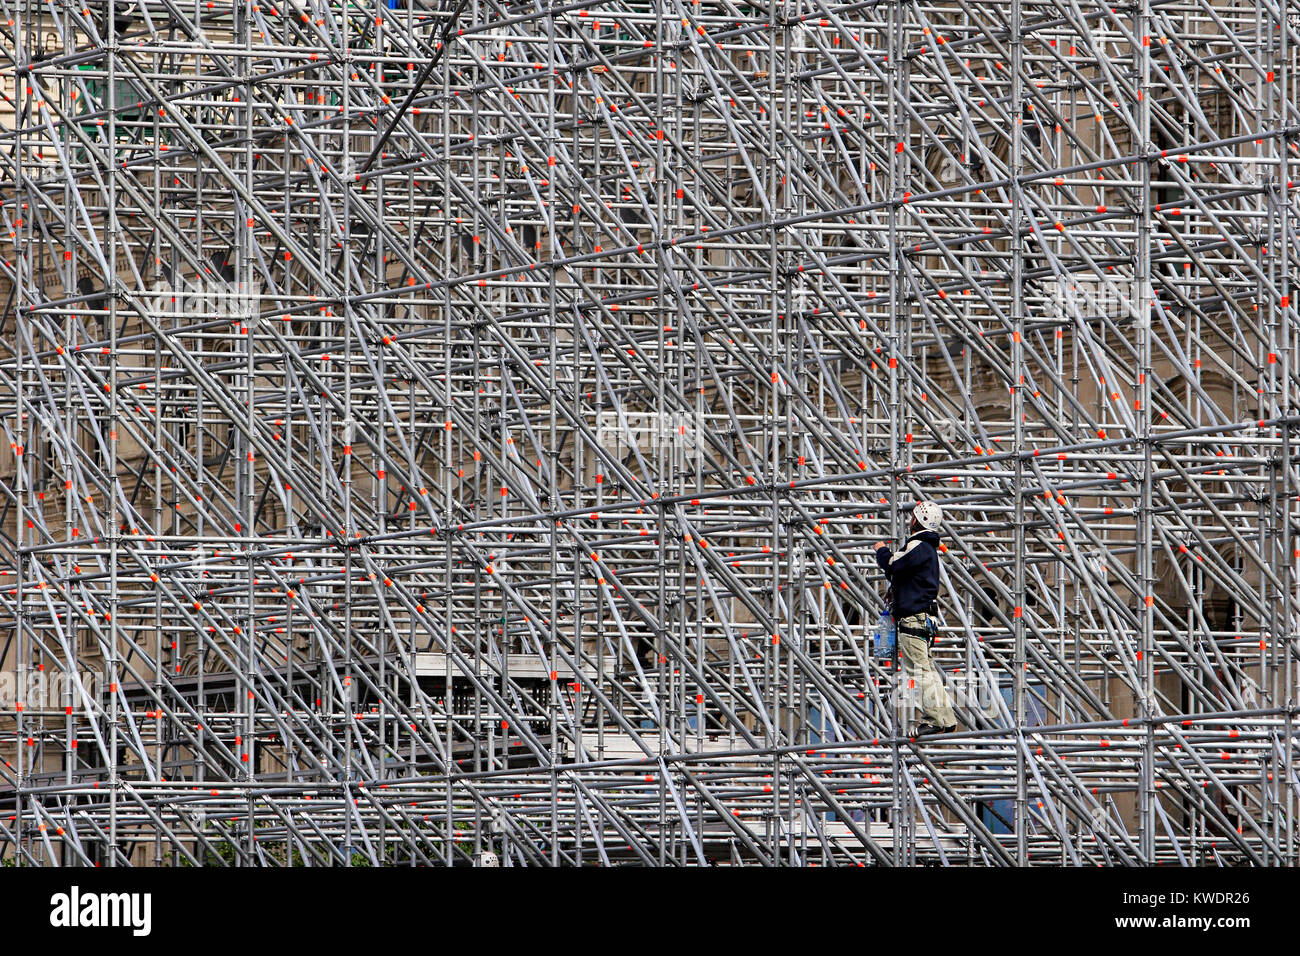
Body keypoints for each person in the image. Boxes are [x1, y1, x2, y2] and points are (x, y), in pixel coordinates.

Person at [874, 500, 956, 737]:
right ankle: (945, 719)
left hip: (913, 619)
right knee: (925, 670)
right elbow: (901, 572)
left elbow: (892, 564)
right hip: (922, 619)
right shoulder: (927, 549)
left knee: (919, 671)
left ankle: (937, 720)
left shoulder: (918, 545)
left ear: (916, 521)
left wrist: (881, 550)